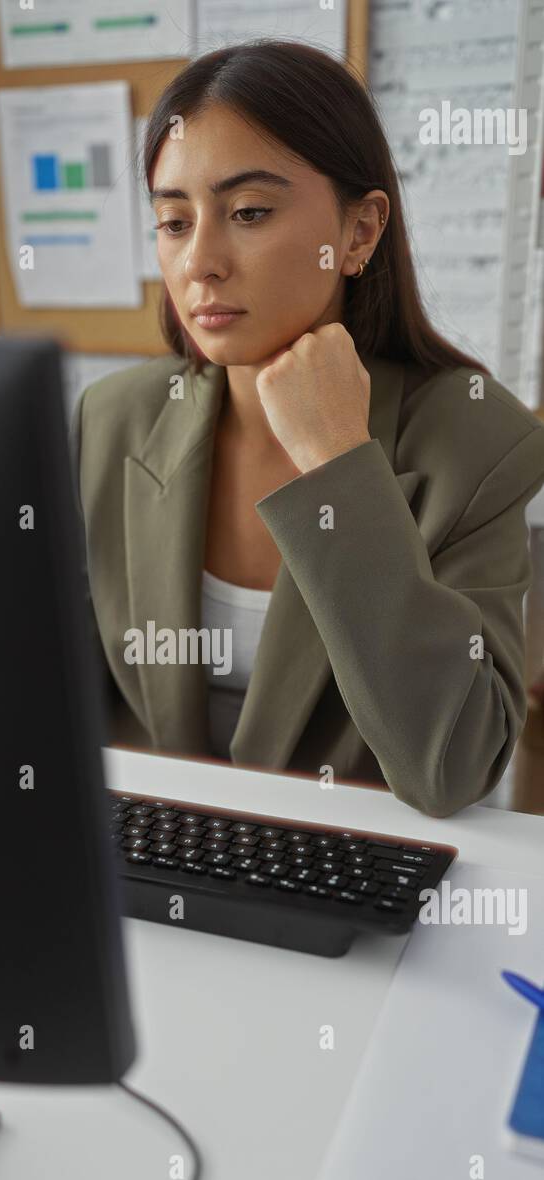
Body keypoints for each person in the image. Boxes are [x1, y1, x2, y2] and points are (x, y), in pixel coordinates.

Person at [69, 40, 544, 818]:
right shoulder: (115, 417)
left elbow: (454, 766)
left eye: (248, 212)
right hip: (159, 865)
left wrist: (337, 462)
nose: (199, 263)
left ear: (358, 233)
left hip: (353, 878)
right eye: (172, 220)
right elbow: (58, 694)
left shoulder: (477, 443)